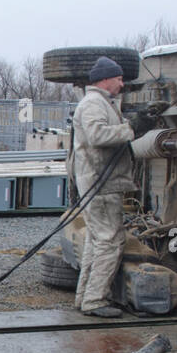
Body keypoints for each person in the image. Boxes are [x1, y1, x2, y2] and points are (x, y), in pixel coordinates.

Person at [68, 57, 135, 317]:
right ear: (106, 79)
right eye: (119, 78)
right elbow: (97, 136)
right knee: (110, 241)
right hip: (101, 185)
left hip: (96, 183)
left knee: (97, 241)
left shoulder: (96, 102)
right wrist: (131, 129)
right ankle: (96, 301)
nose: (122, 83)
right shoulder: (95, 103)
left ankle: (85, 297)